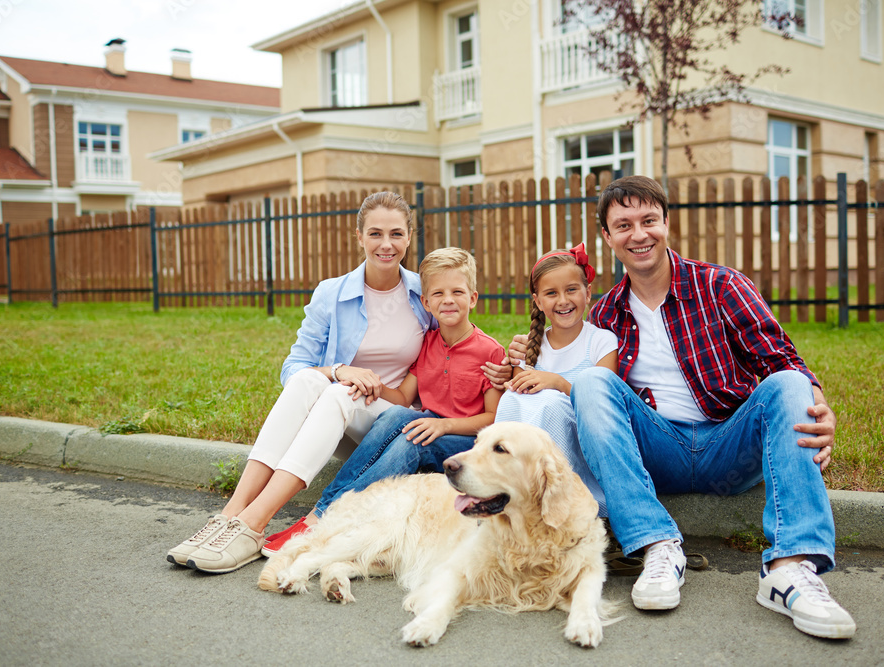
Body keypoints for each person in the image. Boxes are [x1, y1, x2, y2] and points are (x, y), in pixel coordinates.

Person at [567, 175, 854, 639]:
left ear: (666, 223)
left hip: (729, 445)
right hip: (660, 450)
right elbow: (570, 372)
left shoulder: (720, 286)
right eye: (623, 225)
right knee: (592, 381)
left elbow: (782, 359)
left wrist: (818, 404)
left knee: (788, 383)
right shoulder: (604, 315)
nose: (638, 235)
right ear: (607, 236)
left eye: (648, 221)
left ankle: (791, 567)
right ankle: (657, 545)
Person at [166, 191, 436, 574]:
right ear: (359, 237)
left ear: (409, 237)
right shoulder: (332, 293)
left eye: (396, 234)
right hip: (336, 418)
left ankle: (253, 523)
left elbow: (460, 344)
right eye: (375, 234)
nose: (386, 244)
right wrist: (340, 369)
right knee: (312, 382)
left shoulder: (423, 293)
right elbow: (294, 367)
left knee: (337, 393)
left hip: (389, 424)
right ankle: (230, 515)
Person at [261, 247, 505, 554]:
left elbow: (495, 419)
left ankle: (324, 516)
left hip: (464, 442)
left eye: (457, 291)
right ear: (426, 302)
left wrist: (445, 426)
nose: (448, 300)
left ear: (473, 298)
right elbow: (403, 398)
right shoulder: (427, 343)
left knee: (411, 439)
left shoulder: (490, 352)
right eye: (438, 293)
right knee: (396, 417)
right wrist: (368, 383)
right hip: (426, 426)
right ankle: (324, 515)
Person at [494, 243, 617, 517]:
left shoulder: (601, 342)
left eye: (572, 289)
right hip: (528, 459)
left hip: (578, 456)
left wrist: (559, 383)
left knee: (550, 401)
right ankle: (507, 487)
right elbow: (517, 406)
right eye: (551, 293)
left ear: (588, 293)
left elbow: (607, 407)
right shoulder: (531, 349)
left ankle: (562, 500)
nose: (563, 300)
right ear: (538, 301)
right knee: (513, 398)